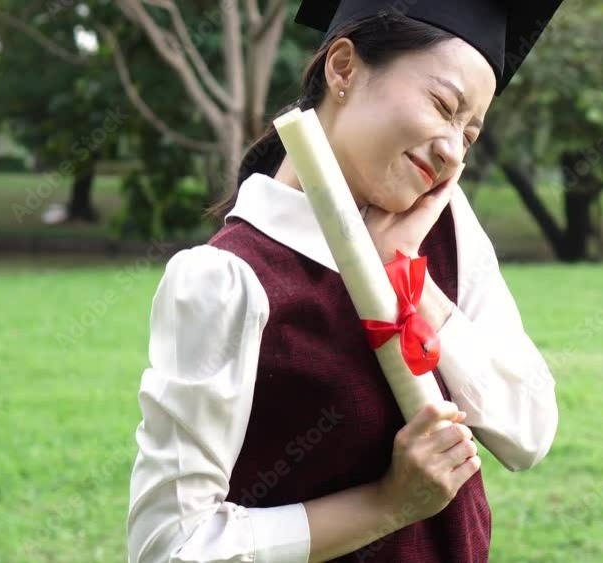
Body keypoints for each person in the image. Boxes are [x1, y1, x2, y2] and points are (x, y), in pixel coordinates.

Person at [127, 1, 562, 561]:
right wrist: (388, 504)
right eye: (443, 106)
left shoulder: (447, 225)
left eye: (470, 133)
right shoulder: (228, 279)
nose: (453, 150)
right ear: (343, 68)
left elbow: (529, 432)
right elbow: (170, 546)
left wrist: (412, 282)